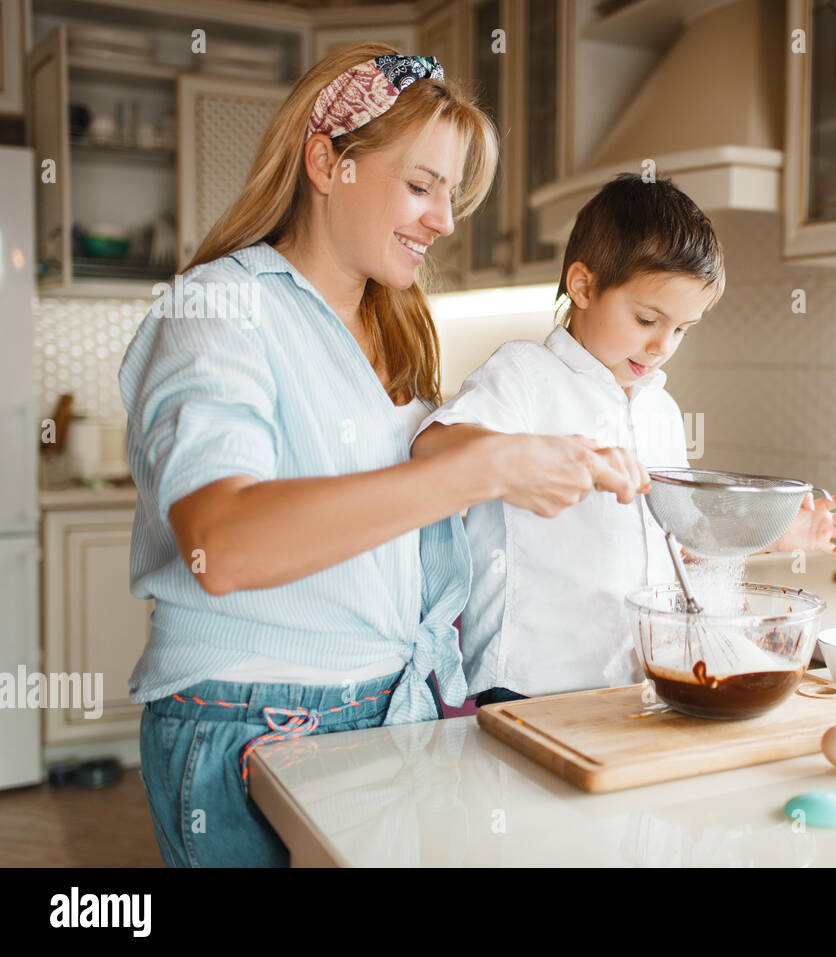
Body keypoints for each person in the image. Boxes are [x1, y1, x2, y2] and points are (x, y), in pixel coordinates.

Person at [119, 45, 646, 868]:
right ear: (327, 161)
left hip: (393, 714)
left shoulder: (393, 327)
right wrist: (478, 470)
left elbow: (412, 511)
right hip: (256, 721)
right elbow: (219, 544)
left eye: (451, 194)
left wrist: (533, 459)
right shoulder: (221, 308)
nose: (443, 219)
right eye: (420, 185)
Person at [411, 174, 836, 707]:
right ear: (582, 287)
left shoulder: (660, 410)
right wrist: (552, 457)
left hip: (633, 676)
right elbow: (432, 447)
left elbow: (678, 539)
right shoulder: (525, 375)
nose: (661, 346)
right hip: (530, 679)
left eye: (681, 329)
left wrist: (771, 535)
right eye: (647, 318)